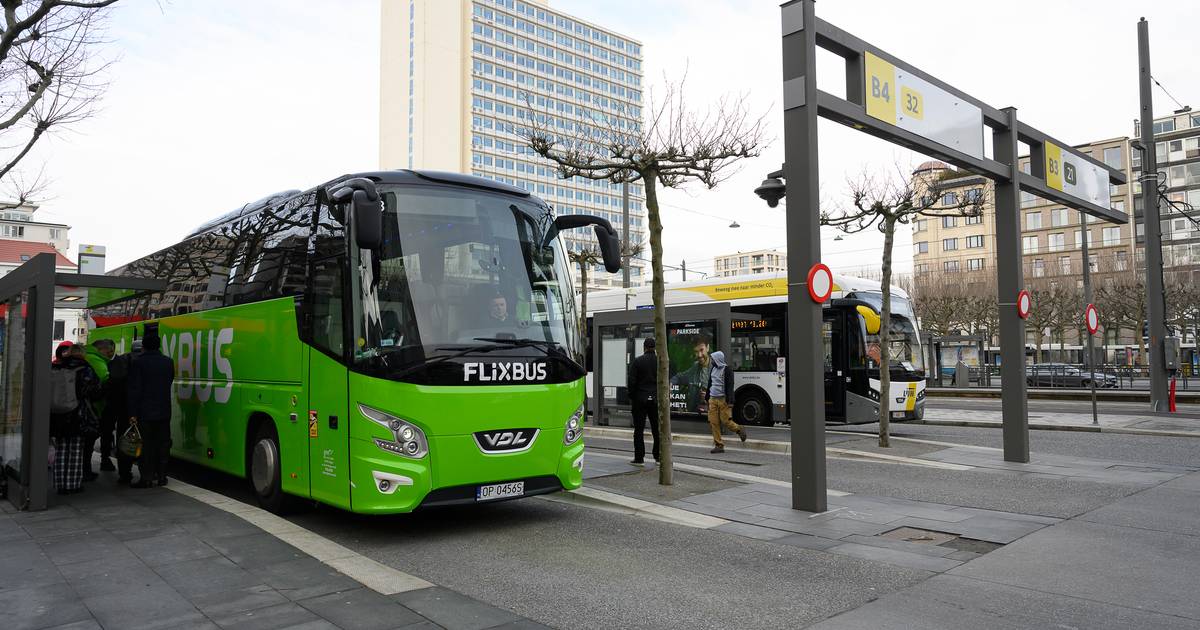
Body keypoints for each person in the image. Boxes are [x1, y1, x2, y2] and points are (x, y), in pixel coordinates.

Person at [49, 344, 102, 495]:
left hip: (58, 414)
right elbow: (96, 391)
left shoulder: (58, 367)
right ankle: (72, 484)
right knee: (76, 450)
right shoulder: (85, 369)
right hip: (78, 414)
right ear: (82, 354)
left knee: (61, 449)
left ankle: (60, 483)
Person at [127, 334, 175, 488]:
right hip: (164, 410)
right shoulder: (168, 362)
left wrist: (132, 413)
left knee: (146, 445)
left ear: (144, 346)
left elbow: (135, 389)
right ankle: (162, 477)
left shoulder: (138, 363)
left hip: (144, 411)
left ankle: (146, 478)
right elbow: (169, 381)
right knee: (163, 444)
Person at [83, 339, 116, 476]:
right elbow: (106, 380)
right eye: (109, 352)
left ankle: (85, 468)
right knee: (91, 439)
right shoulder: (96, 360)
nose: (110, 354)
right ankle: (86, 469)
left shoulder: (87, 356)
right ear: (101, 349)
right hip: (95, 406)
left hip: (86, 405)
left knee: (87, 440)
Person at [625, 338, 660, 466]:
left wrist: (632, 396)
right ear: (655, 347)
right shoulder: (660, 361)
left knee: (638, 430)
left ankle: (639, 458)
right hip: (656, 400)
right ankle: (658, 457)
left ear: (644, 347)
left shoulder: (638, 361)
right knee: (656, 429)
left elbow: (632, 381)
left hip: (640, 400)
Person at [107, 342, 138, 484]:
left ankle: (124, 473)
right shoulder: (145, 362)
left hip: (122, 409)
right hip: (141, 409)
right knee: (144, 441)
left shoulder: (119, 362)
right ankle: (149, 474)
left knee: (124, 439)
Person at [705, 350, 746, 454]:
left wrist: (731, 401)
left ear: (718, 359)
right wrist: (707, 398)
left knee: (726, 421)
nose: (712, 361)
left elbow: (730, 385)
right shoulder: (713, 369)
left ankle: (739, 429)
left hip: (723, 400)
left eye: (713, 359)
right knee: (713, 422)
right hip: (713, 399)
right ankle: (719, 445)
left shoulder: (727, 370)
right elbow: (710, 384)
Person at [669, 335, 712, 413]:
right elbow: (679, 377)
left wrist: (708, 396)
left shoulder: (717, 367)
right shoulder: (695, 367)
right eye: (696, 351)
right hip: (695, 413)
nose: (699, 355)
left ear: (708, 348)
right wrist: (670, 384)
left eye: (701, 350)